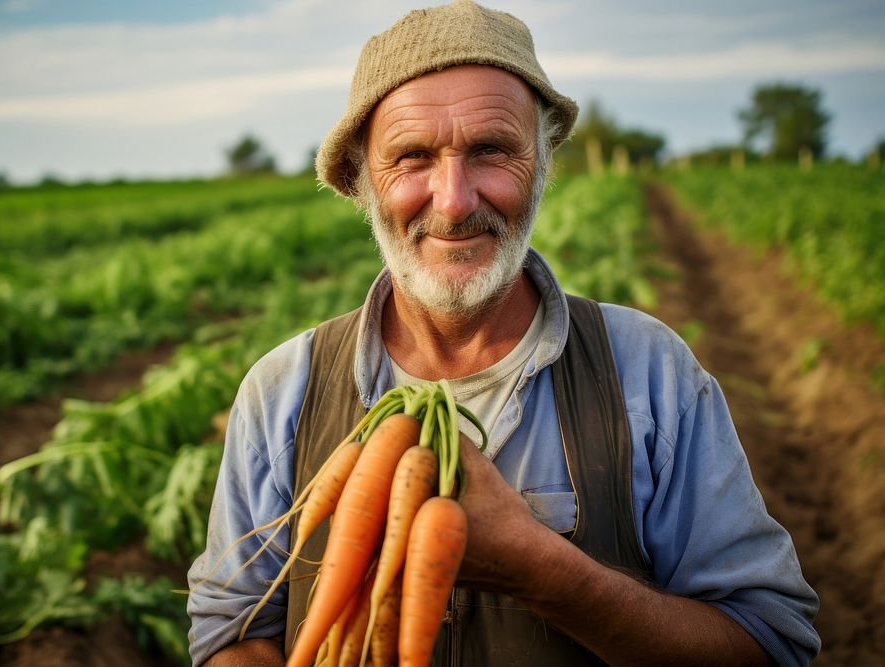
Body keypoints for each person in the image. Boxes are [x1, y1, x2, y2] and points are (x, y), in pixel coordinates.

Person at [186, 1, 820, 665]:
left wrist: (541, 571)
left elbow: (771, 642)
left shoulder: (649, 372)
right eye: (412, 157)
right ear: (358, 182)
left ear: (544, 163)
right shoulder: (283, 392)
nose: (455, 199)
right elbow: (231, 633)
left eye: (491, 150)